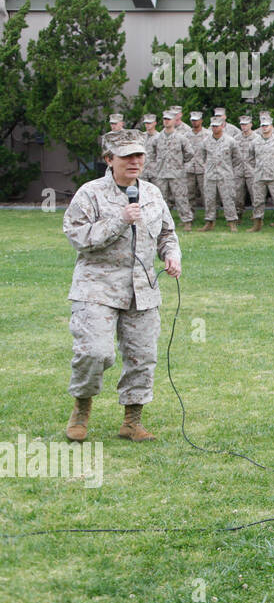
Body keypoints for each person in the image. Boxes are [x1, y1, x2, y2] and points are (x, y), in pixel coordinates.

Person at [63, 130, 181, 442]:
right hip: (97, 288)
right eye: (127, 155)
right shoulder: (90, 193)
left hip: (142, 291)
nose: (134, 161)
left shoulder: (153, 194)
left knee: (142, 356)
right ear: (109, 159)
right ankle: (81, 409)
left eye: (139, 155)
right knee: (95, 353)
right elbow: (78, 237)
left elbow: (167, 233)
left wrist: (172, 256)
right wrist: (120, 220)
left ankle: (132, 421)